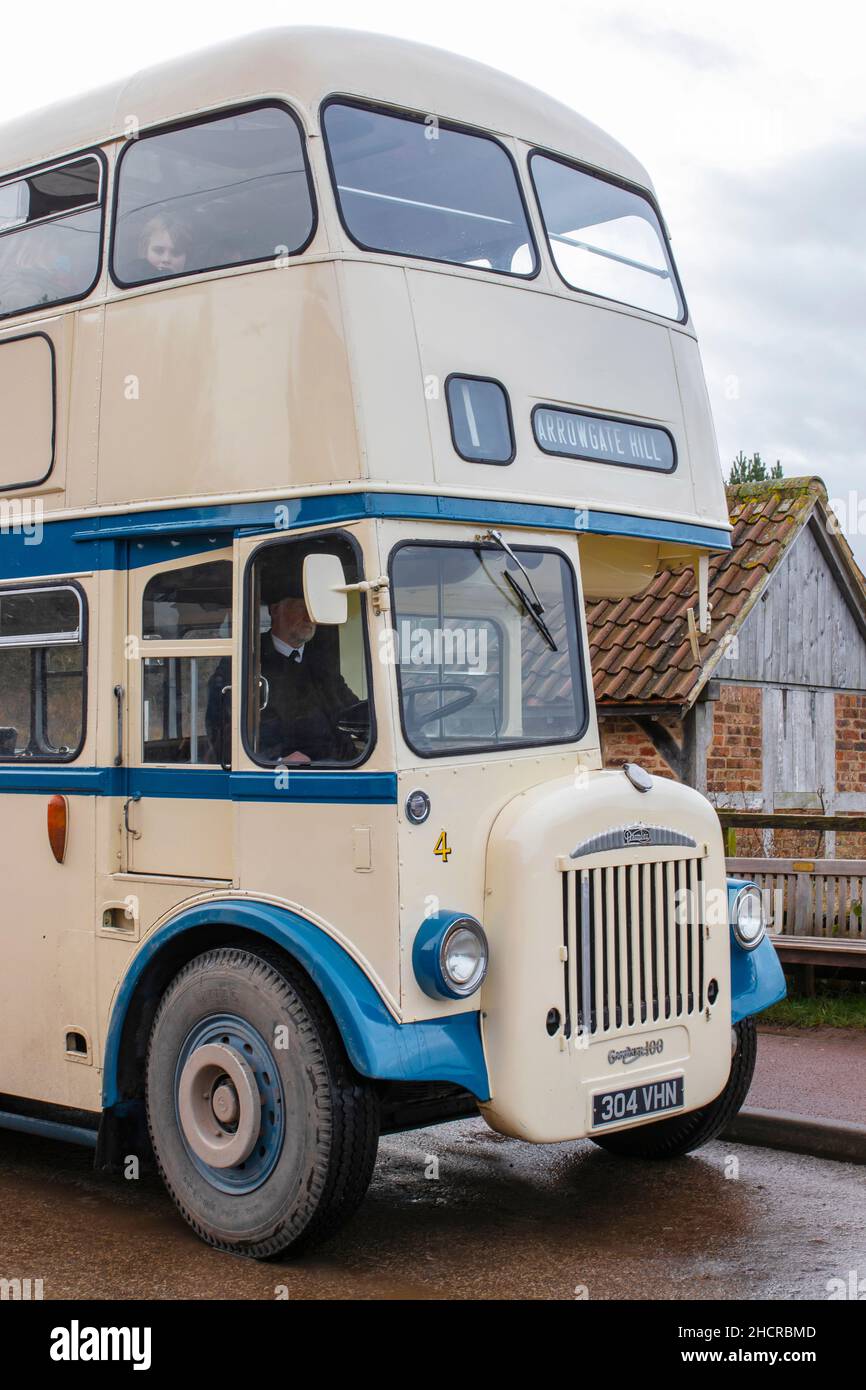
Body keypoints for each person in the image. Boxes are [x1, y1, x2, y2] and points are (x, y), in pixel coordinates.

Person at [205, 548, 361, 766]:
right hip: (285, 776)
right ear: (275, 610)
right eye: (300, 607)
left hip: (339, 768)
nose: (309, 617)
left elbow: (350, 711)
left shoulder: (321, 663)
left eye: (312, 609)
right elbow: (220, 727)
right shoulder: (246, 661)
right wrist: (275, 760)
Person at [127, 214, 192, 280]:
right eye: (158, 251)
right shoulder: (127, 280)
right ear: (144, 250)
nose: (166, 259)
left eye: (176, 252)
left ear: (187, 256)